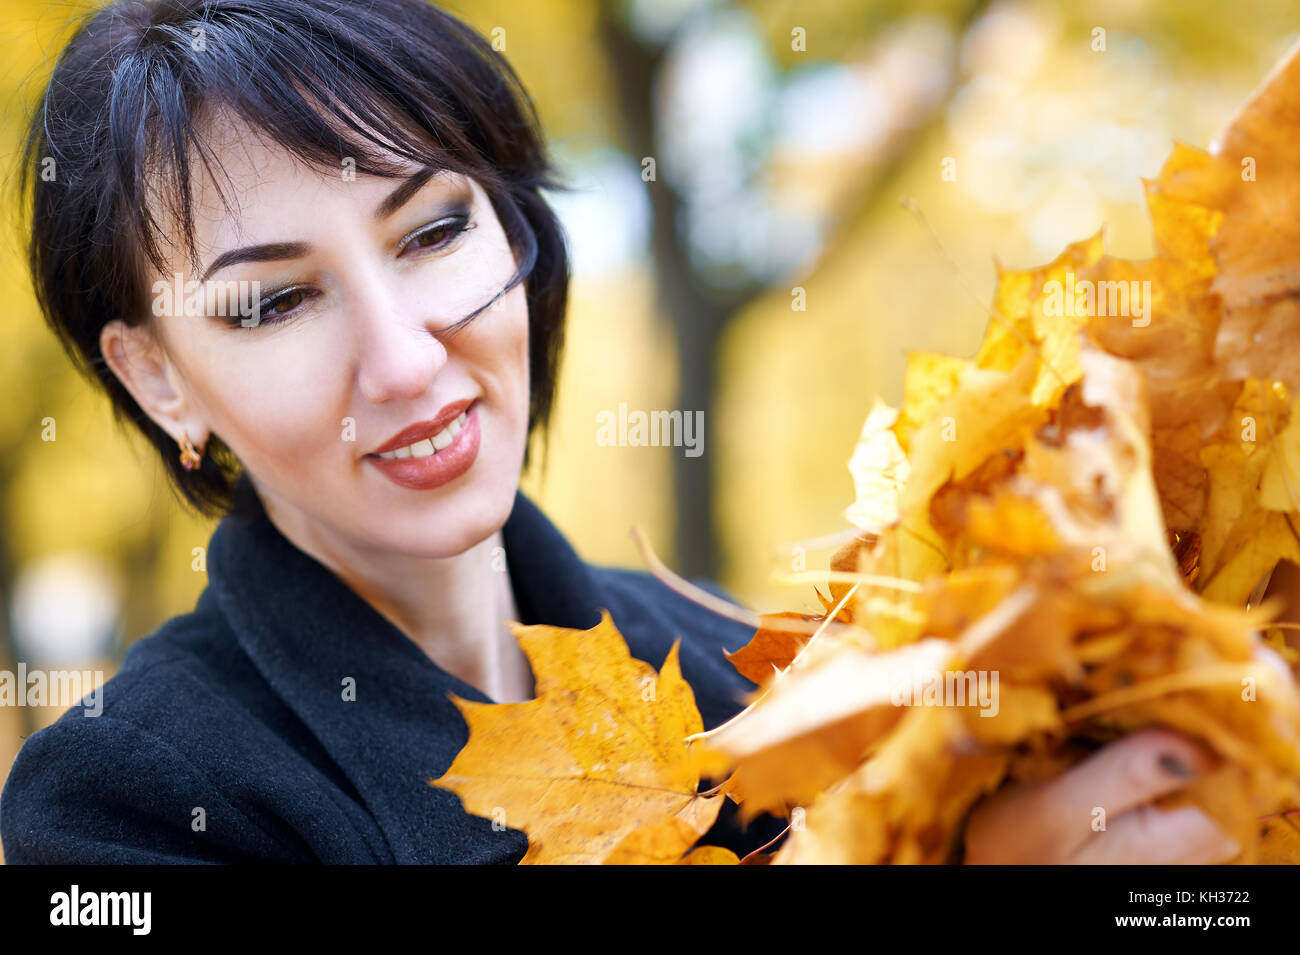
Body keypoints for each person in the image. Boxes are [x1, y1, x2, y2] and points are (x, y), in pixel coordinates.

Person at [0, 0, 1243, 864]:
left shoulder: (734, 662)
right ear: (160, 379)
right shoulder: (126, 806)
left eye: (433, 232)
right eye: (275, 300)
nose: (404, 354)